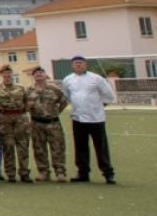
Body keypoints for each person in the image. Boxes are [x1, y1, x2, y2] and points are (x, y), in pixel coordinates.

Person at [61, 55, 117, 184]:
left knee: (101, 147)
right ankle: (83, 173)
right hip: (78, 119)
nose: (78, 65)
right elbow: (68, 96)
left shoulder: (96, 79)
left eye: (81, 63)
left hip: (96, 119)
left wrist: (98, 107)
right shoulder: (67, 80)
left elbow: (108, 95)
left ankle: (108, 173)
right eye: (76, 63)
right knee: (80, 147)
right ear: (72, 66)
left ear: (85, 64)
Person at [0, 65, 33, 184]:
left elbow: (28, 102)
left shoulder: (21, 87)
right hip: (4, 120)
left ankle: (24, 173)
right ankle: (11, 174)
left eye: (9, 73)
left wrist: (22, 111)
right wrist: (1, 112)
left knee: (23, 146)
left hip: (20, 119)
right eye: (5, 73)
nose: (7, 75)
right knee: (8, 146)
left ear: (12, 74)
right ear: (1, 75)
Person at [26, 67, 68, 183]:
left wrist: (56, 113)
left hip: (53, 123)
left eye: (41, 72)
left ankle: (60, 172)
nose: (38, 74)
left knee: (58, 148)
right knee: (39, 149)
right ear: (33, 76)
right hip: (36, 123)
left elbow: (63, 102)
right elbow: (25, 106)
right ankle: (43, 172)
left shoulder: (54, 89)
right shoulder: (29, 90)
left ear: (46, 75)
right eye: (36, 73)